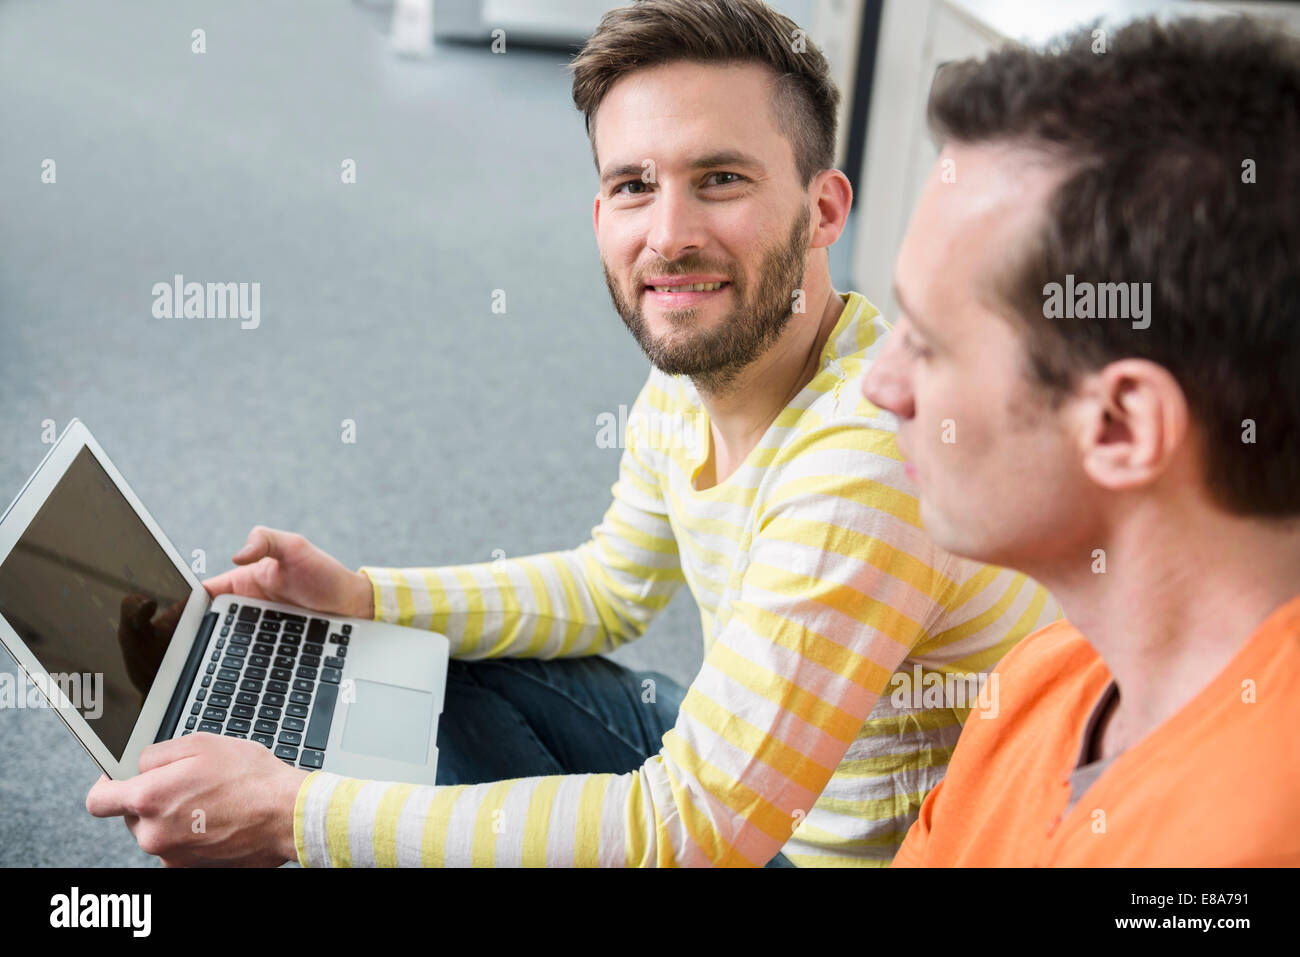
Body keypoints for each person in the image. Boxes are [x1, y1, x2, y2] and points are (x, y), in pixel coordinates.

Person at [85, 0, 1056, 868]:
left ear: (822, 210)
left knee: (400, 771)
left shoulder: (863, 460)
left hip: (805, 848)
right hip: (753, 784)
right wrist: (363, 596)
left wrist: (299, 814)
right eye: (634, 185)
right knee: (426, 668)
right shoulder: (706, 366)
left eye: (719, 179)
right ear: (600, 214)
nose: (669, 234)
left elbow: (691, 832)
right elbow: (610, 586)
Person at [861, 14, 1300, 866]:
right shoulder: (1048, 677)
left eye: (925, 339)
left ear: (1122, 426)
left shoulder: (1247, 838)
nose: (882, 384)